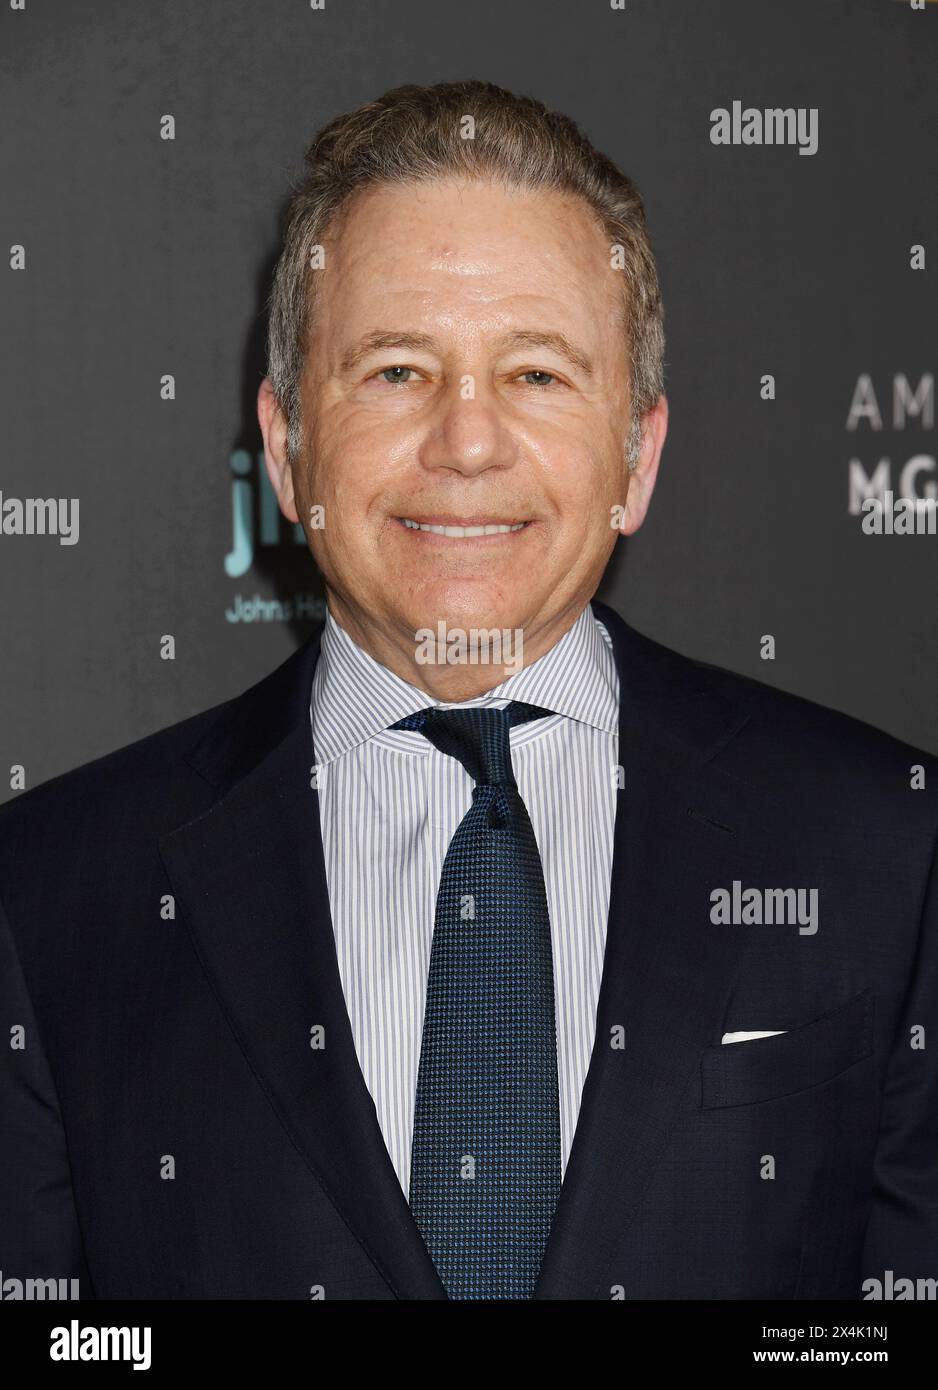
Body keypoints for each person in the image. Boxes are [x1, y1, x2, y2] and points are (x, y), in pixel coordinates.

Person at [1, 80, 935, 1301]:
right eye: (395, 369)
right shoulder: (53, 892)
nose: (468, 441)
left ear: (637, 457)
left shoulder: (882, 850)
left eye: (537, 375)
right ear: (285, 451)